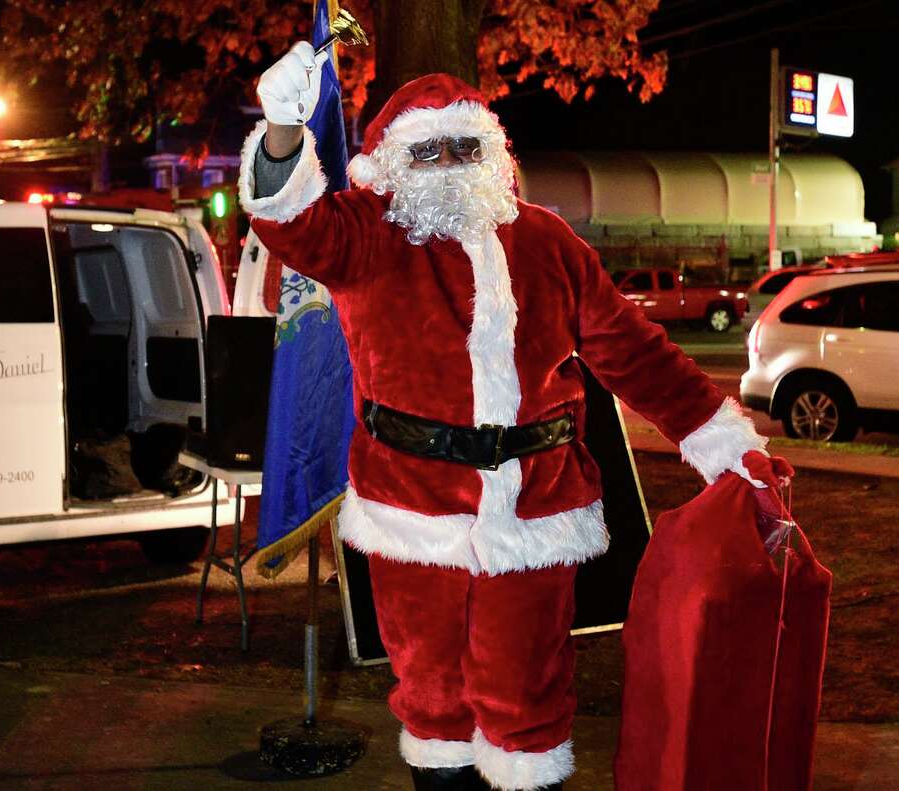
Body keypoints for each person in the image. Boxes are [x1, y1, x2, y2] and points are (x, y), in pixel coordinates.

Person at [240, 42, 786, 791]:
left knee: (527, 701)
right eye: (427, 150)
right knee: (433, 704)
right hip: (413, 512)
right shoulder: (366, 237)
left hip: (537, 506)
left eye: (466, 145)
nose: (450, 162)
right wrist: (279, 134)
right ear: (391, 164)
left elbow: (637, 353)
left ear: (493, 151)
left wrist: (725, 444)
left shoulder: (546, 241)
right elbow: (292, 225)